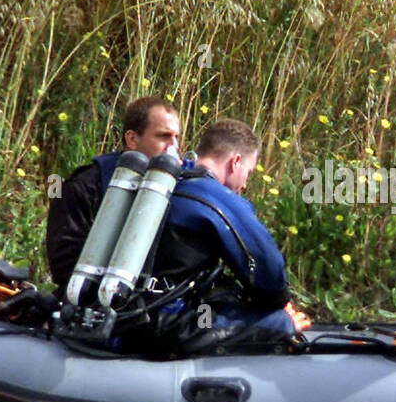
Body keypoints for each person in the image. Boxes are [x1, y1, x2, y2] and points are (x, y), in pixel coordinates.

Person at [136, 119, 297, 355]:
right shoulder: (218, 198)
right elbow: (268, 276)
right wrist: (281, 310)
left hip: (129, 312)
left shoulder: (169, 182)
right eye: (248, 173)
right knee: (277, 321)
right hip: (169, 324)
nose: (244, 185)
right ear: (236, 162)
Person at [45, 96, 180, 295]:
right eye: (163, 136)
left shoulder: (178, 189)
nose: (173, 147)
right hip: (89, 305)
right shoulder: (85, 186)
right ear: (132, 139)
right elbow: (64, 264)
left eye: (177, 137)